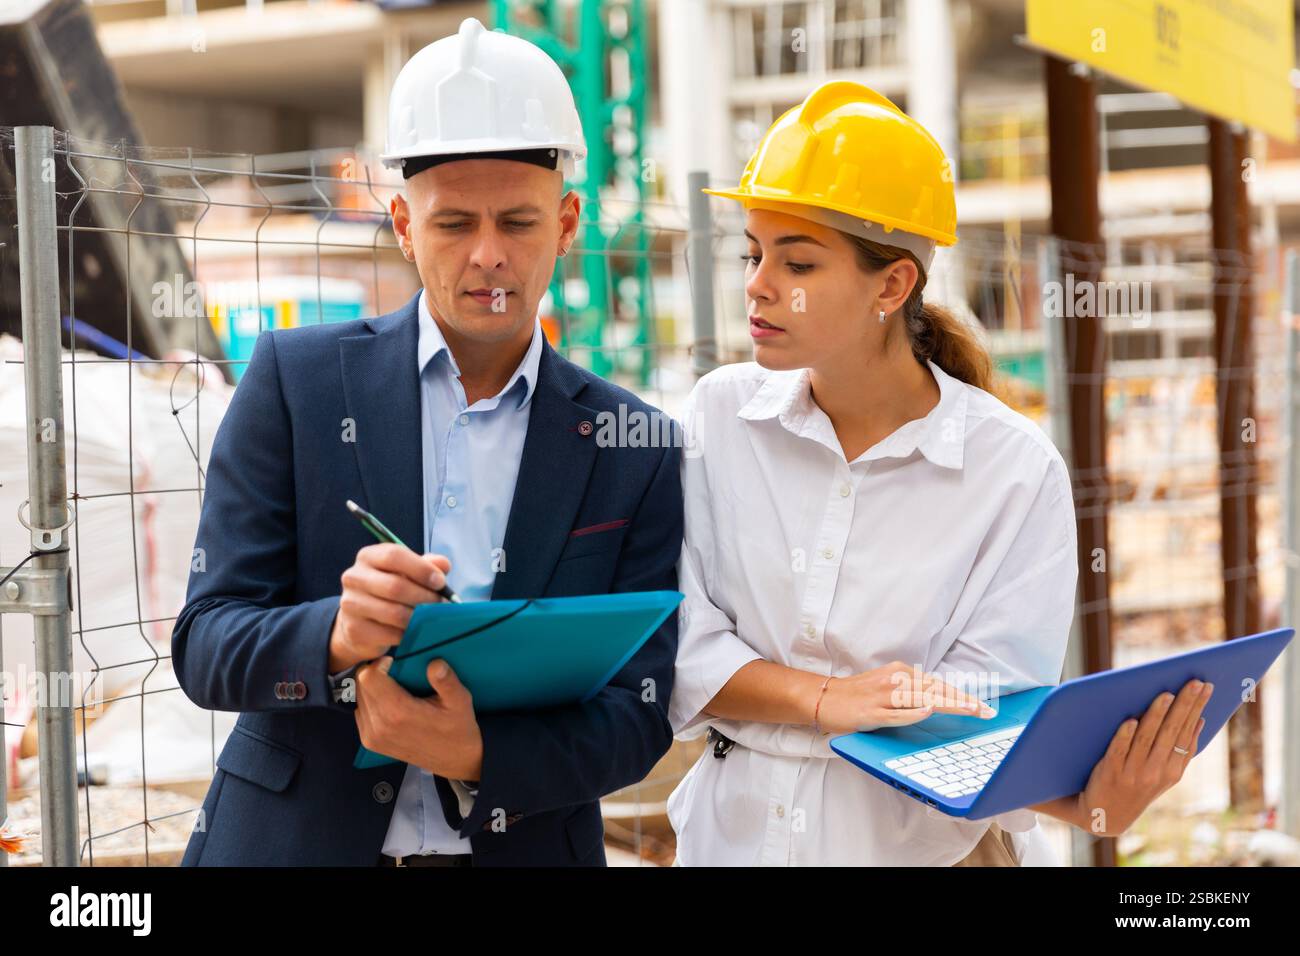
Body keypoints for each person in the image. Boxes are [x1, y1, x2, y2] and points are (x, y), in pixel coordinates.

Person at [172, 17, 682, 867]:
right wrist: (336, 633)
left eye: (518, 223)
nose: (489, 257)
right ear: (404, 226)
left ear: (565, 223)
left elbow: (640, 714)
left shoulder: (634, 444)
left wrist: (479, 757)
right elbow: (205, 645)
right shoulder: (295, 384)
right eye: (453, 226)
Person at [666, 80, 1212, 866]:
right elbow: (681, 641)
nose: (757, 284)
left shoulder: (1012, 474)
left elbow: (979, 720)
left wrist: (1087, 799)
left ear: (892, 285)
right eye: (754, 253)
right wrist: (828, 699)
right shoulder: (719, 418)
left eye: (798, 262)